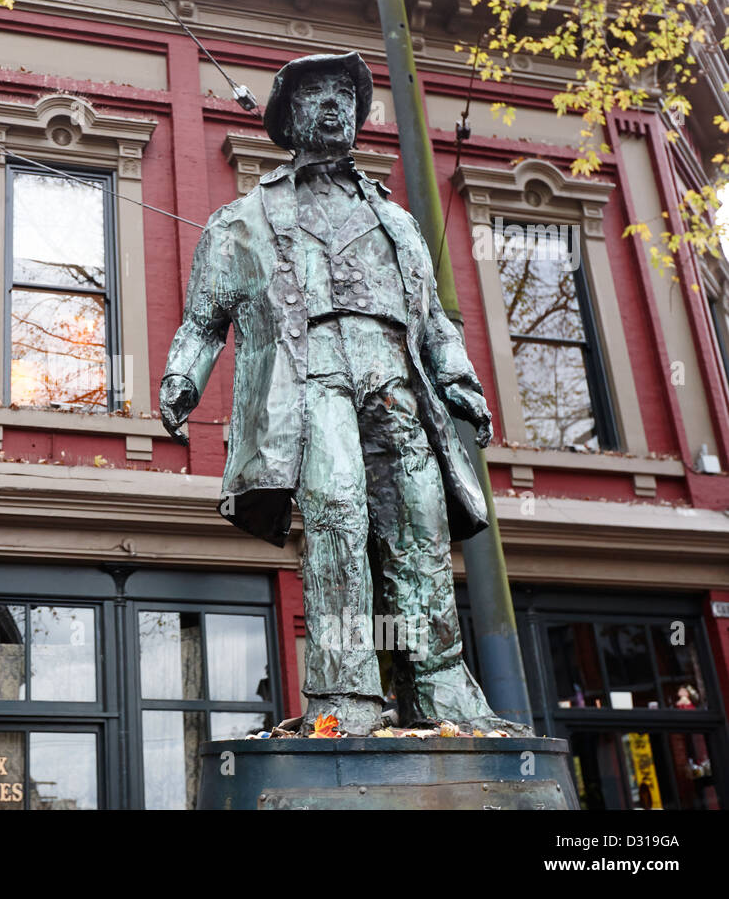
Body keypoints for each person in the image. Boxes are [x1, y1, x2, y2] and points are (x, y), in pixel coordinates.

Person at [160, 52, 531, 737]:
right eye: (315, 94)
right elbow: (204, 318)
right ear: (287, 116)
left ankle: (438, 687)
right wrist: (182, 378)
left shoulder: (397, 222)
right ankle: (345, 692)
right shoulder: (242, 219)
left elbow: (432, 320)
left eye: (344, 95)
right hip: (312, 382)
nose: (333, 105)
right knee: (336, 518)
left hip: (394, 379)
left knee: (419, 529)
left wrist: (459, 381)